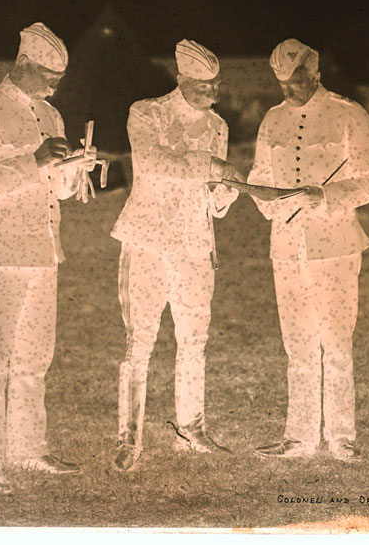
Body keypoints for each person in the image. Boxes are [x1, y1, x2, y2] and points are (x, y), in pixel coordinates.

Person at [0, 22, 97, 496]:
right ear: (22, 64)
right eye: (47, 75)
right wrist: (34, 162)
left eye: (60, 76)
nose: (55, 85)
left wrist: (74, 170)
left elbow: (55, 187)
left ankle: (27, 450)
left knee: (35, 360)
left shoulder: (51, 116)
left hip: (43, 253)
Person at [249, 39, 369, 462]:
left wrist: (325, 196)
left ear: (315, 73)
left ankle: (341, 437)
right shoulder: (271, 120)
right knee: (298, 345)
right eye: (283, 86)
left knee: (336, 343)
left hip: (336, 246)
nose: (290, 92)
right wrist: (266, 200)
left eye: (297, 83)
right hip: (287, 248)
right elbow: (259, 174)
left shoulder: (349, 114)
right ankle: (299, 437)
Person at [110, 40, 240, 472]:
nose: (211, 92)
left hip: (195, 247)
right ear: (181, 79)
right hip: (147, 242)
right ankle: (129, 437)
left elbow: (211, 192)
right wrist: (211, 169)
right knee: (139, 342)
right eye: (202, 85)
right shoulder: (146, 112)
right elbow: (152, 164)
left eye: (215, 84)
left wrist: (225, 193)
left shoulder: (219, 126)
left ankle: (193, 428)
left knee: (194, 340)